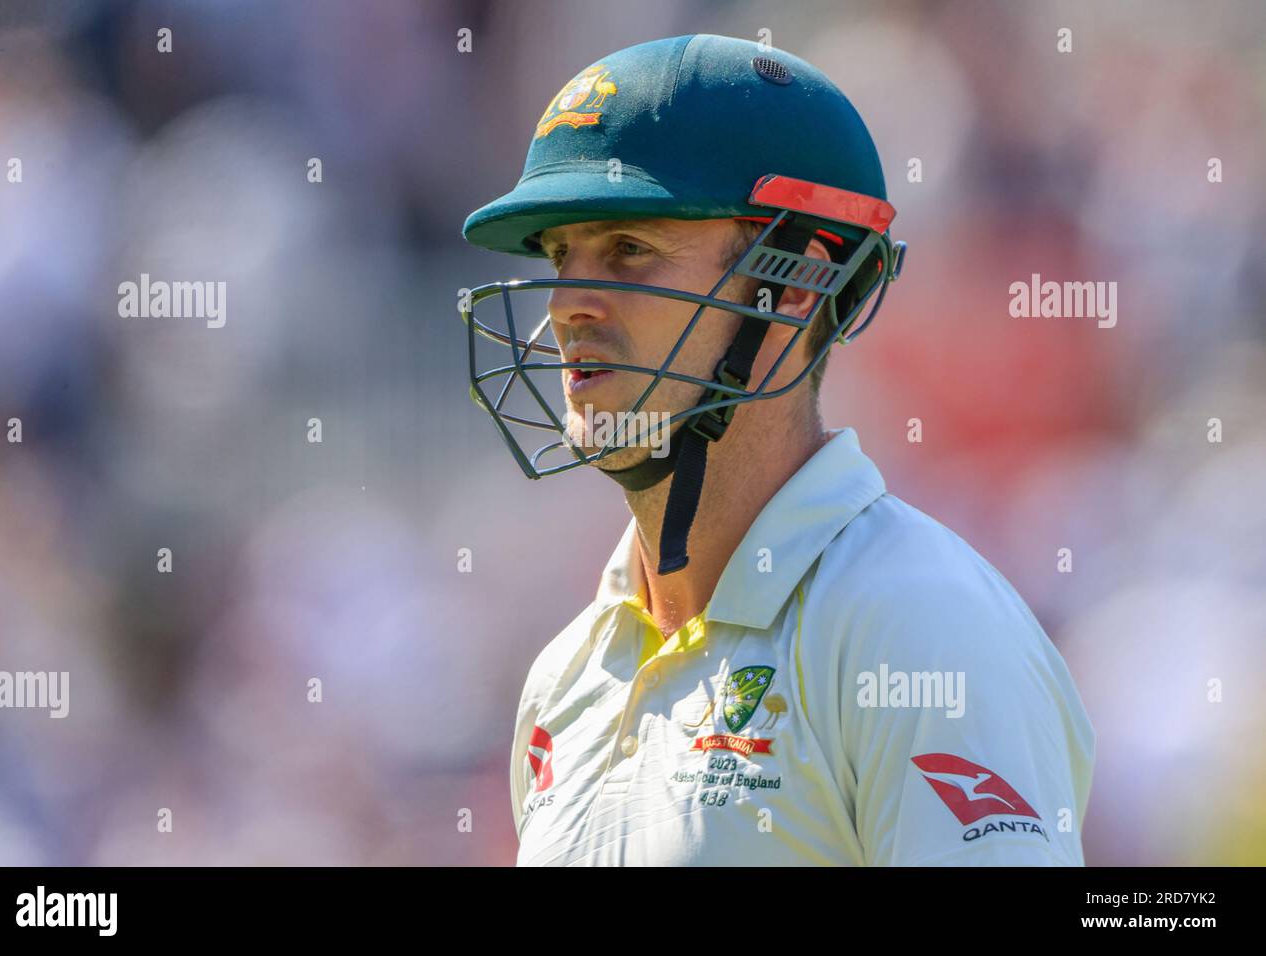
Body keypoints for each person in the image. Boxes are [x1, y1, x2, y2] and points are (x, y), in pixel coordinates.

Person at [460, 34, 1095, 865]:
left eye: (628, 251)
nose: (569, 305)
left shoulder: (919, 626)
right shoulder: (565, 677)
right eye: (558, 255)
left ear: (794, 283)